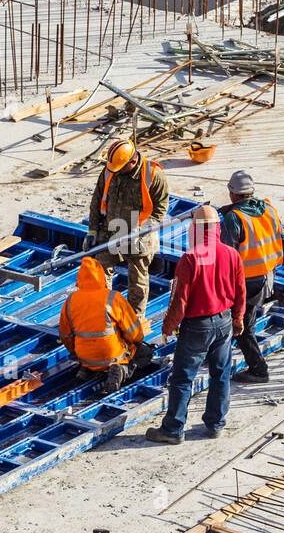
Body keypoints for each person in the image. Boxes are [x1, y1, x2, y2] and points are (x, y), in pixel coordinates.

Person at [145, 205, 245, 444]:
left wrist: (168, 327)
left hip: (197, 327)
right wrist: (238, 318)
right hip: (223, 323)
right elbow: (240, 292)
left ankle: (172, 429)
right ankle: (215, 423)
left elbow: (179, 298)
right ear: (217, 228)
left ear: (195, 229)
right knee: (220, 375)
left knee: (182, 378)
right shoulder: (232, 254)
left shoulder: (190, 258)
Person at [219, 170, 284, 384]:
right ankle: (221, 356)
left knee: (241, 326)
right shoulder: (269, 209)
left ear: (233, 194)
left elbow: (227, 256)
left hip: (246, 282)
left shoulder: (233, 218)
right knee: (245, 322)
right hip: (267, 277)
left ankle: (258, 369)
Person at [85, 138, 169, 324]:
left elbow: (161, 209)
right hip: (111, 231)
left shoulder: (153, 174)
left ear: (132, 161)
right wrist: (92, 231)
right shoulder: (111, 170)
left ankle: (134, 321)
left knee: (137, 279)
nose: (117, 173)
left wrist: (142, 229)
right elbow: (97, 201)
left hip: (139, 236)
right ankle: (104, 314)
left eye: (122, 169)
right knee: (100, 269)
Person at [58, 257, 153, 394]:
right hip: (112, 356)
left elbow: (65, 335)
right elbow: (134, 333)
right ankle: (122, 370)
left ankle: (86, 370)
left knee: (91, 351)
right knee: (145, 354)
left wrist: (76, 352)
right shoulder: (113, 298)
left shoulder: (70, 301)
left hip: (85, 357)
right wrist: (136, 342)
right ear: (102, 276)